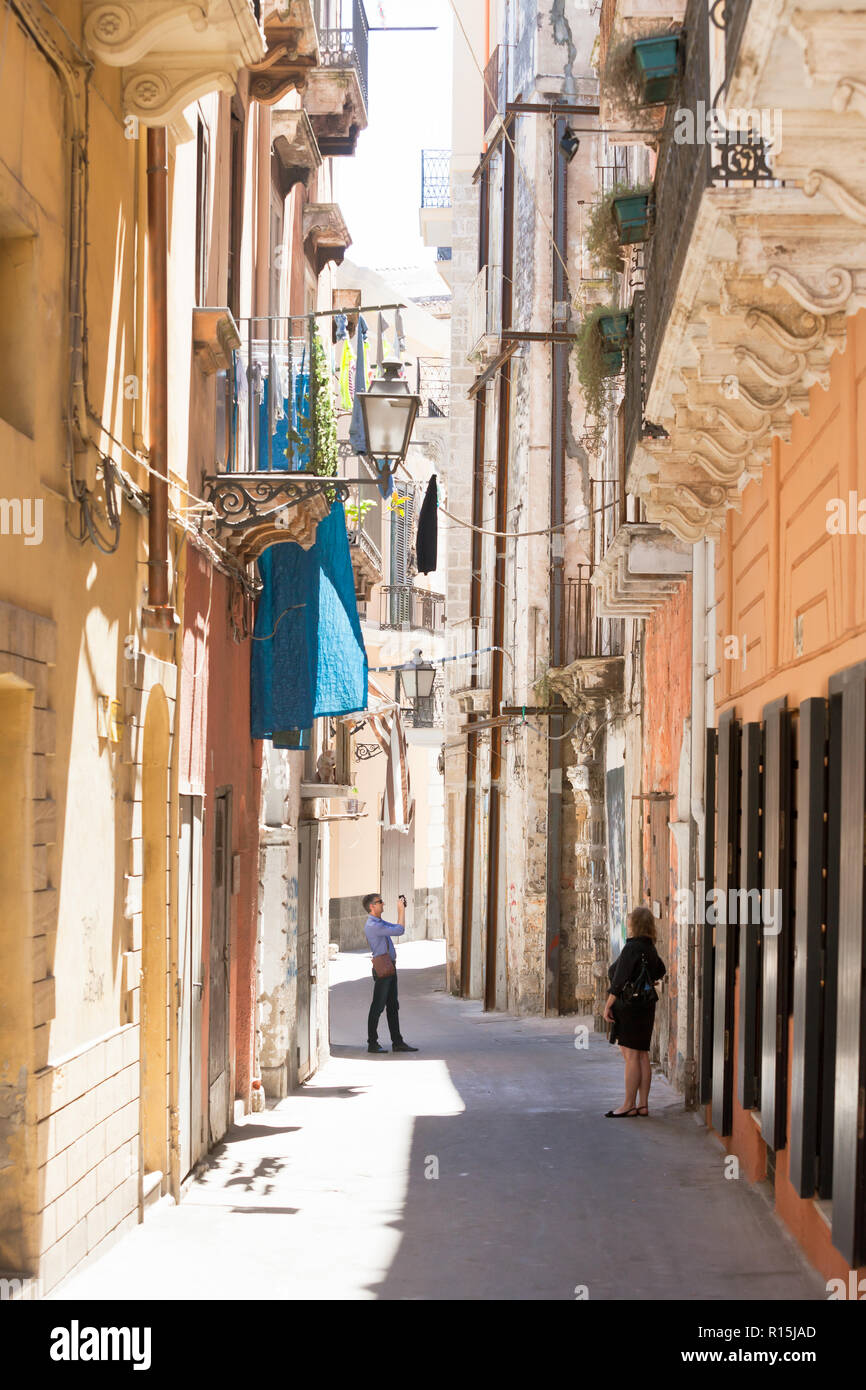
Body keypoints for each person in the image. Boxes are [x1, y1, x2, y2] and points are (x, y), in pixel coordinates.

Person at [603, 906, 666, 1117]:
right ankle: (643, 1104)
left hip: (629, 1006)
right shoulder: (650, 948)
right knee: (641, 1055)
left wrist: (607, 1004)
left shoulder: (631, 948)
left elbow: (619, 980)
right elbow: (661, 969)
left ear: (635, 925)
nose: (628, 925)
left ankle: (628, 1104)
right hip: (646, 1006)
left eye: (630, 922)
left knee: (631, 1055)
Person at [362, 891, 419, 1055]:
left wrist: (401, 910)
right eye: (380, 902)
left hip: (389, 966)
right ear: (372, 906)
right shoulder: (373, 925)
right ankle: (372, 1043)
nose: (383, 904)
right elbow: (400, 930)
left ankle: (397, 1042)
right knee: (378, 1006)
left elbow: (395, 928)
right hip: (383, 968)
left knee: (393, 1006)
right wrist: (401, 910)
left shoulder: (378, 922)